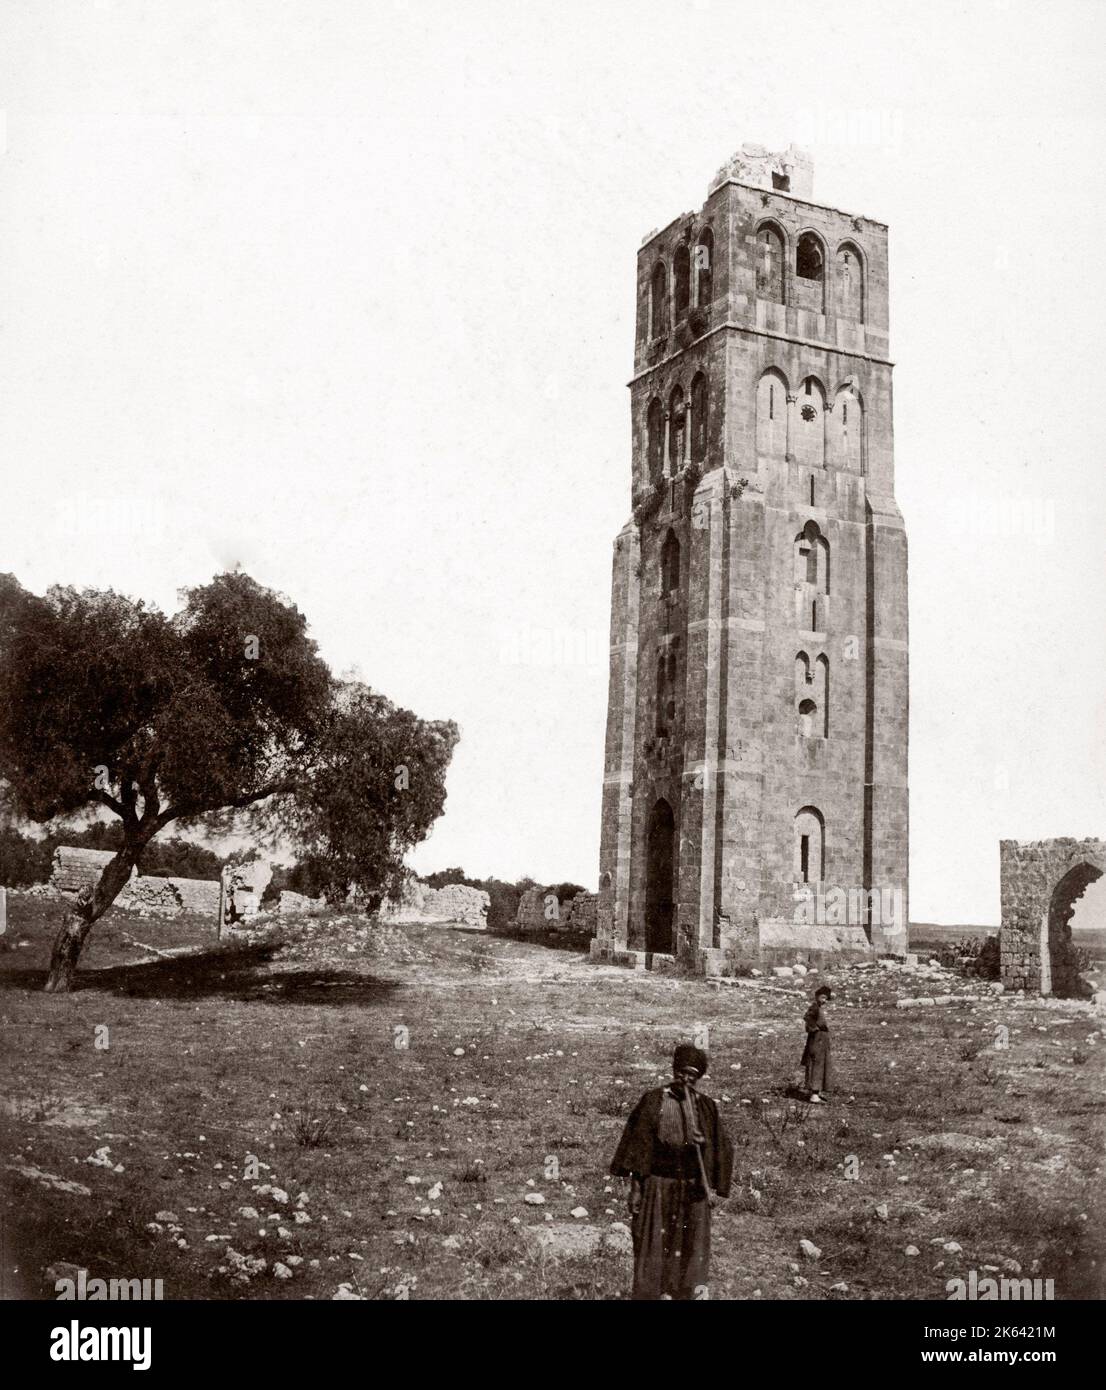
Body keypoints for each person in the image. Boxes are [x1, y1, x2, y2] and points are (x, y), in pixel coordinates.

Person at [609, 1042, 733, 1300]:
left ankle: (684, 1294)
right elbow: (638, 1146)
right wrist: (636, 1189)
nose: (686, 1079)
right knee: (651, 1244)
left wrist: (704, 1143)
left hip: (692, 1187)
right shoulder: (653, 1100)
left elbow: (722, 1146)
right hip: (657, 1183)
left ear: (699, 1078)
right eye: (682, 1072)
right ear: (674, 1070)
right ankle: (649, 1295)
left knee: (691, 1245)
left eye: (692, 1075)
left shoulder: (706, 1106)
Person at [800, 985, 834, 1103]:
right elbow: (807, 1017)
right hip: (817, 1041)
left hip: (821, 1040)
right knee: (817, 1064)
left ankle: (816, 1093)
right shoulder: (814, 1007)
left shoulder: (818, 1007)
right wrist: (815, 1029)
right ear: (817, 996)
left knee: (820, 1064)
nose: (824, 1000)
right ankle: (814, 1095)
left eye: (826, 999)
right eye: (823, 997)